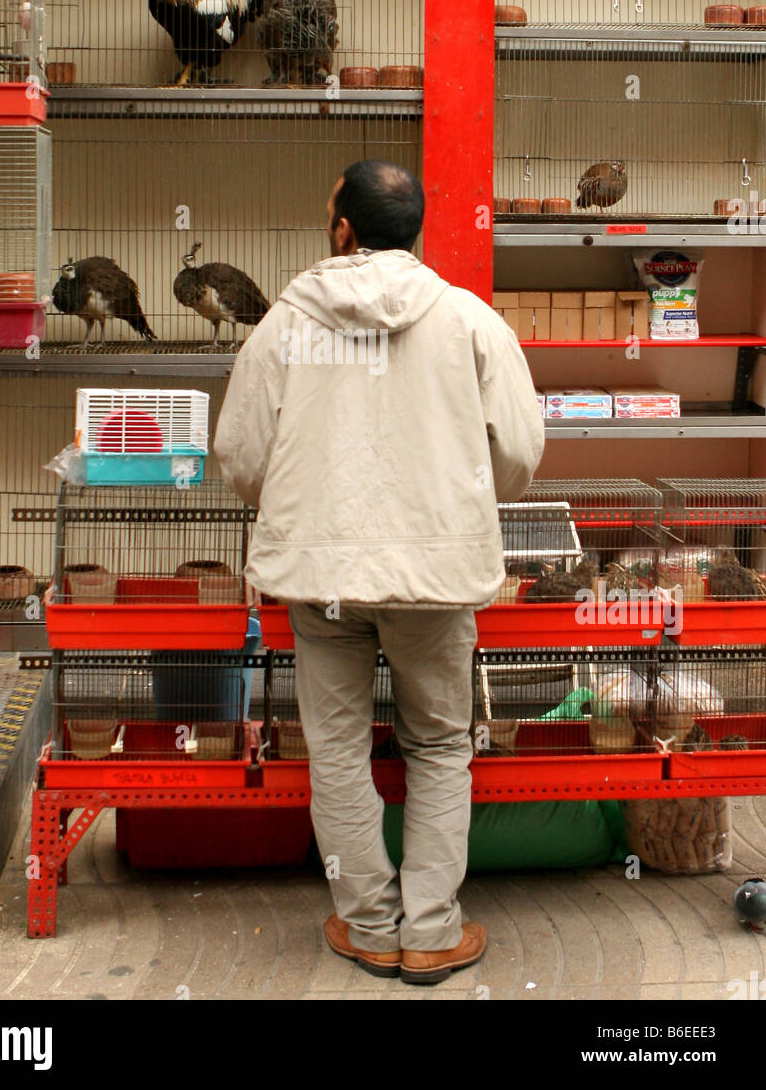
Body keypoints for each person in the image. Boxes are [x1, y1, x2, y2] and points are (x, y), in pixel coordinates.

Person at [214, 158, 544, 985]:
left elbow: (241, 455)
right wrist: (460, 503)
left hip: (321, 573)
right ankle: (429, 932)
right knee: (436, 744)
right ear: (414, 229)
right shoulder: (469, 321)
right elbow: (518, 451)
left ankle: (365, 925)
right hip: (436, 575)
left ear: (343, 230)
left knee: (334, 748)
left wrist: (295, 504)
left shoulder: (285, 324)